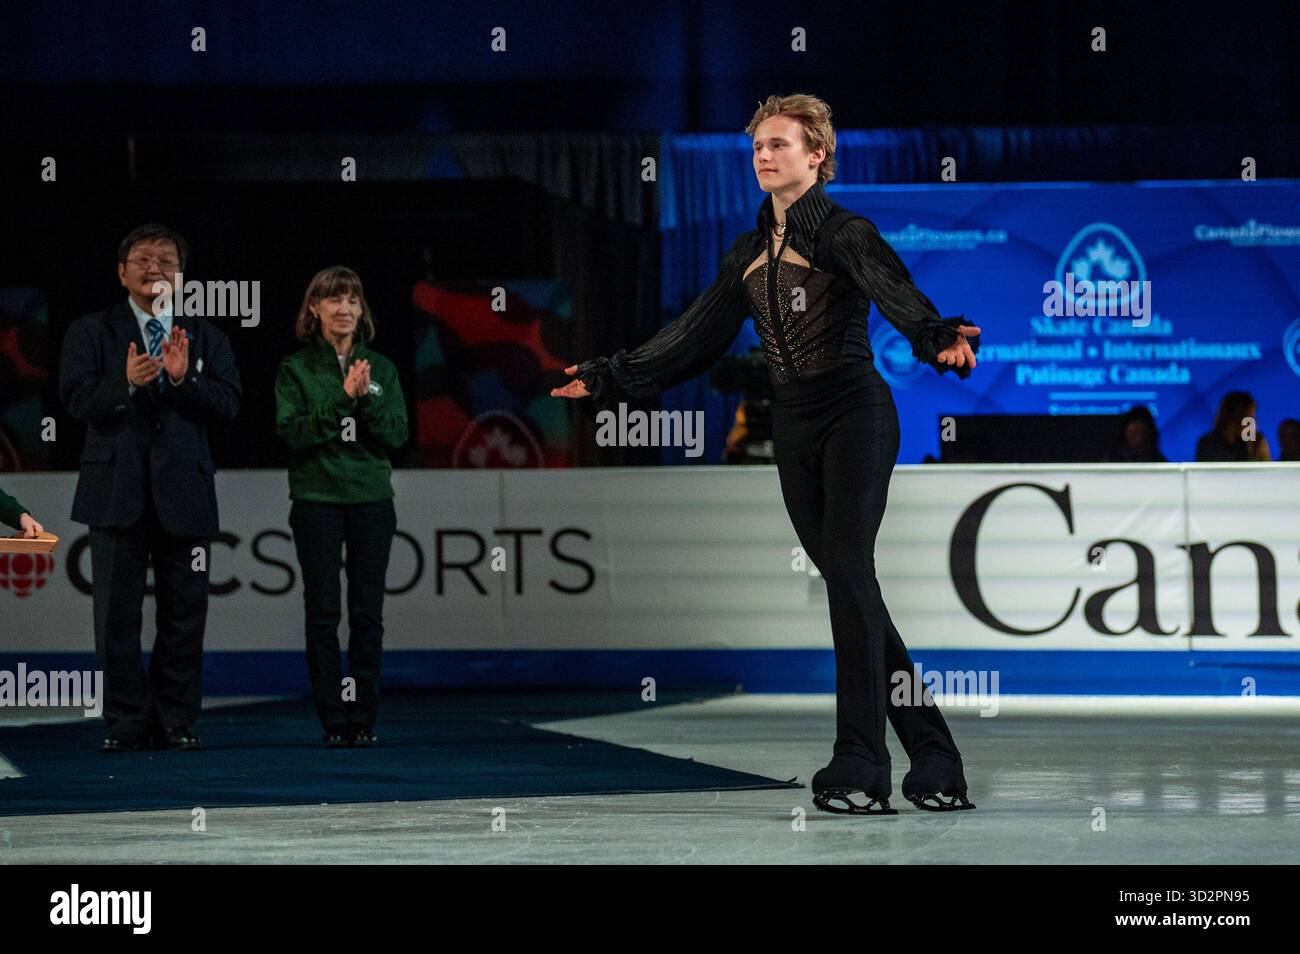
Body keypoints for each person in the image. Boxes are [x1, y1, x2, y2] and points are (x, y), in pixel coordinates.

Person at [553, 93, 981, 814]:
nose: (763, 156)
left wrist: (933, 334)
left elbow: (893, 288)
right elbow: (692, 338)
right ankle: (935, 757)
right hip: (793, 423)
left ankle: (861, 760)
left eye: (779, 145)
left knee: (847, 569)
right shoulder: (747, 254)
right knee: (851, 586)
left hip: (855, 412)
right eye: (757, 146)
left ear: (817, 156)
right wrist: (608, 375)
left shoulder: (845, 232)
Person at [59, 224, 241, 752]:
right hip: (115, 490)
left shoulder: (208, 337)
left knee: (185, 615)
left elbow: (228, 405)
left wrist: (185, 382)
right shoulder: (90, 332)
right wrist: (126, 384)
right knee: (116, 616)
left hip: (186, 493)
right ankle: (125, 722)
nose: (155, 266)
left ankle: (175, 720)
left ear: (180, 274)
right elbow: (74, 400)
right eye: (142, 258)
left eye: (166, 259)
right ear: (122, 272)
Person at [274, 266, 408, 748]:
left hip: (372, 501)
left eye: (352, 299)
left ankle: (363, 716)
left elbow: (396, 434)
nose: (344, 308)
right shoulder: (296, 369)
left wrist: (364, 401)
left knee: (367, 613)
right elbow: (292, 434)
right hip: (317, 501)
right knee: (323, 613)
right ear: (314, 308)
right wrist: (341, 401)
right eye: (333, 299)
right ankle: (333, 717)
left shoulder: (382, 369)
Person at [1195, 391, 1272, 461]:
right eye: (1248, 416)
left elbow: (1267, 472)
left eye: (1253, 416)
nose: (1253, 420)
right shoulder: (1208, 443)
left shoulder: (1257, 441)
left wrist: (1251, 448)